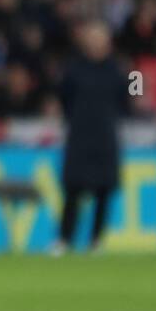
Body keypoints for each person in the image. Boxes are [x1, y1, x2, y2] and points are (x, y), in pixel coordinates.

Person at [54, 20, 126, 253]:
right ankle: (64, 239)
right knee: (73, 190)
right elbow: (64, 98)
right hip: (79, 136)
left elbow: (125, 102)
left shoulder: (117, 71)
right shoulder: (73, 69)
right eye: (92, 39)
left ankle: (96, 241)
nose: (96, 44)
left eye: (100, 39)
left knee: (104, 191)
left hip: (105, 136)